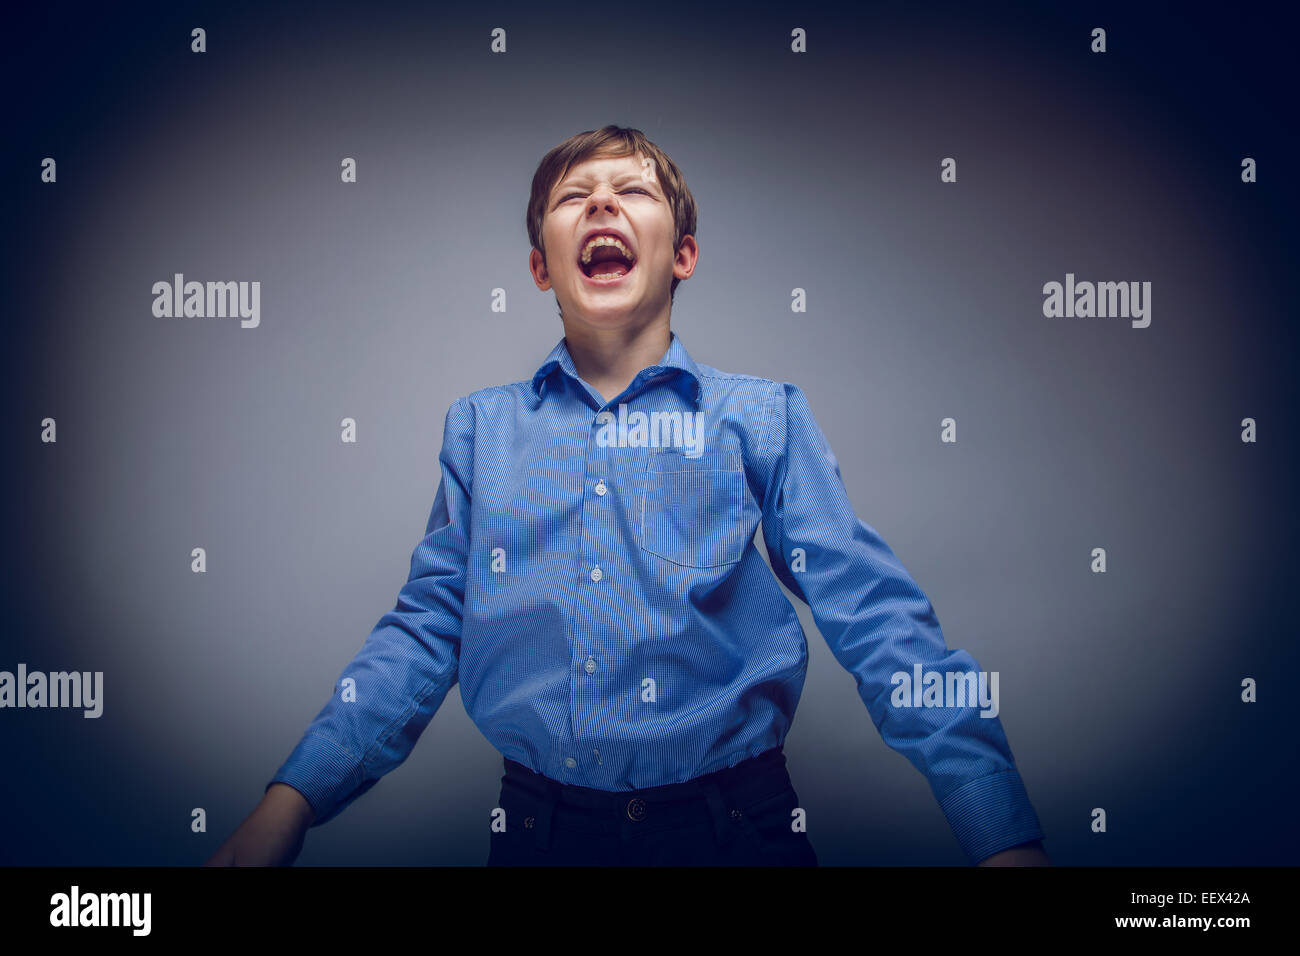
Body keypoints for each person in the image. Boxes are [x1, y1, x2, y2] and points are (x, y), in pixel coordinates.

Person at [206, 125, 1049, 867]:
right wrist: (292, 801)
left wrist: (1000, 833)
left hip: (736, 831)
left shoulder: (760, 418)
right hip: (538, 834)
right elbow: (427, 631)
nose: (601, 205)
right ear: (541, 266)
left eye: (631, 191)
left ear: (681, 253)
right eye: (575, 196)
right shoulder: (481, 431)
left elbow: (877, 619)